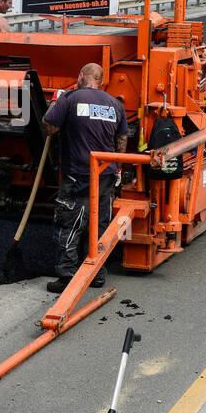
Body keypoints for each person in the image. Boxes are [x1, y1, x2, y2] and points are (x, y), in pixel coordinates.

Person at [41, 63, 128, 294]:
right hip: (106, 175)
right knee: (99, 224)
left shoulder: (70, 98)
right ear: (101, 81)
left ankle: (67, 275)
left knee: (69, 222)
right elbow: (121, 140)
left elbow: (49, 127)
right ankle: (97, 274)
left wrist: (53, 103)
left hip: (77, 174)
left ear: (81, 76)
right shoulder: (115, 105)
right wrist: (116, 167)